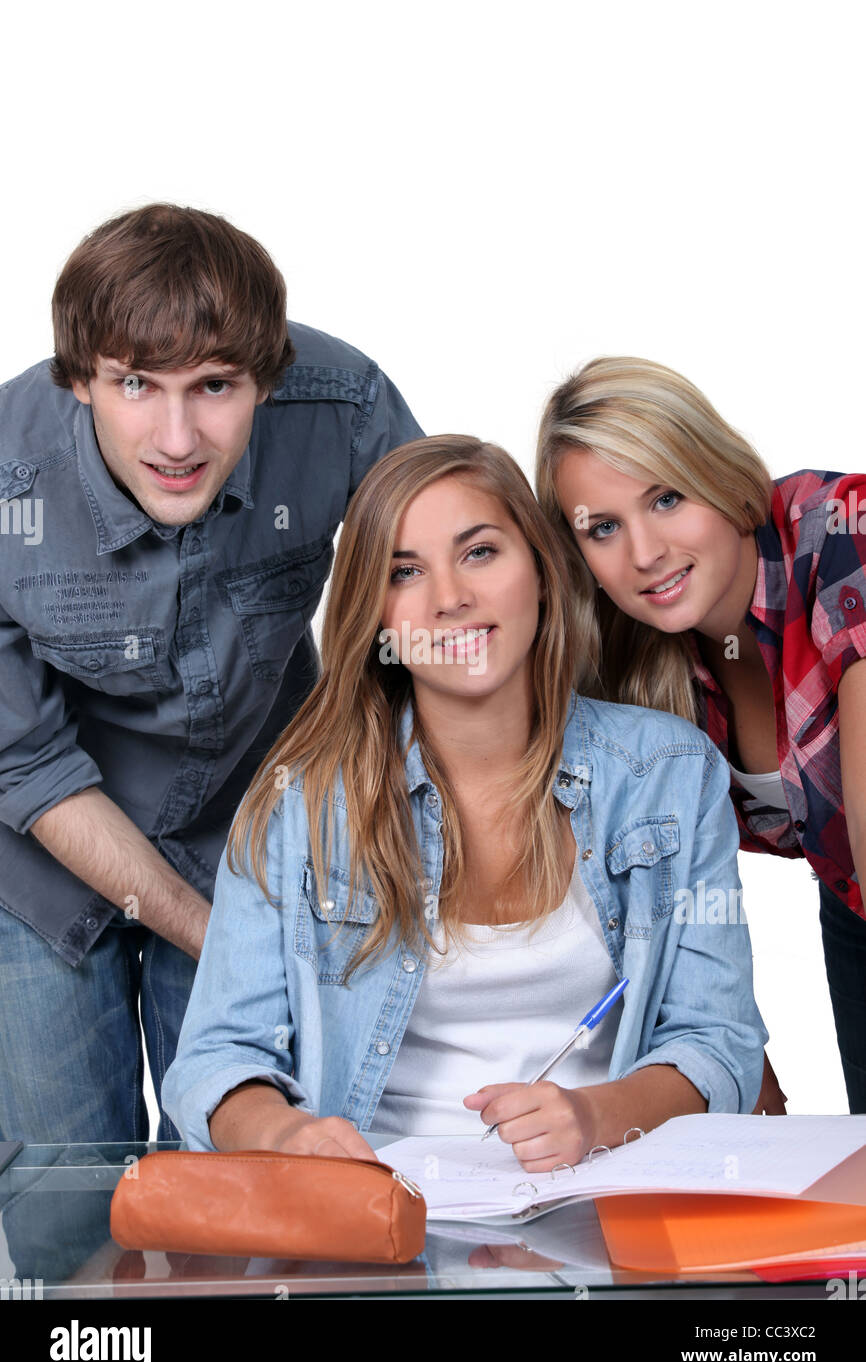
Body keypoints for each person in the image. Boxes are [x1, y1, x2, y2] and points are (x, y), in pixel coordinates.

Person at [162, 435, 766, 1169]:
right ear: (377, 616)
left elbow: (718, 1042)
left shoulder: (669, 771)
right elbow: (215, 1061)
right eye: (406, 571)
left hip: (609, 1200)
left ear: (543, 571)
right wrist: (286, 1136)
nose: (451, 599)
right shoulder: (301, 801)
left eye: (480, 552)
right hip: (376, 1219)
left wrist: (591, 1116)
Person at [0, 203, 421, 1145]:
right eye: (136, 384)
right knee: (71, 1205)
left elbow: (442, 612)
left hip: (256, 832)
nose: (179, 438)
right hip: (38, 859)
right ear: (80, 379)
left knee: (254, 1189)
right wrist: (220, 937)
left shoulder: (343, 408)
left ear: (268, 380)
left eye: (216, 385)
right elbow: (27, 767)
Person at [536, 355, 866, 1114]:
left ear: (721, 473)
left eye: (667, 498)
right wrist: (739, 1072)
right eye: (604, 528)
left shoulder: (844, 538)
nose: (645, 554)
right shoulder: (628, 667)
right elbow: (669, 926)